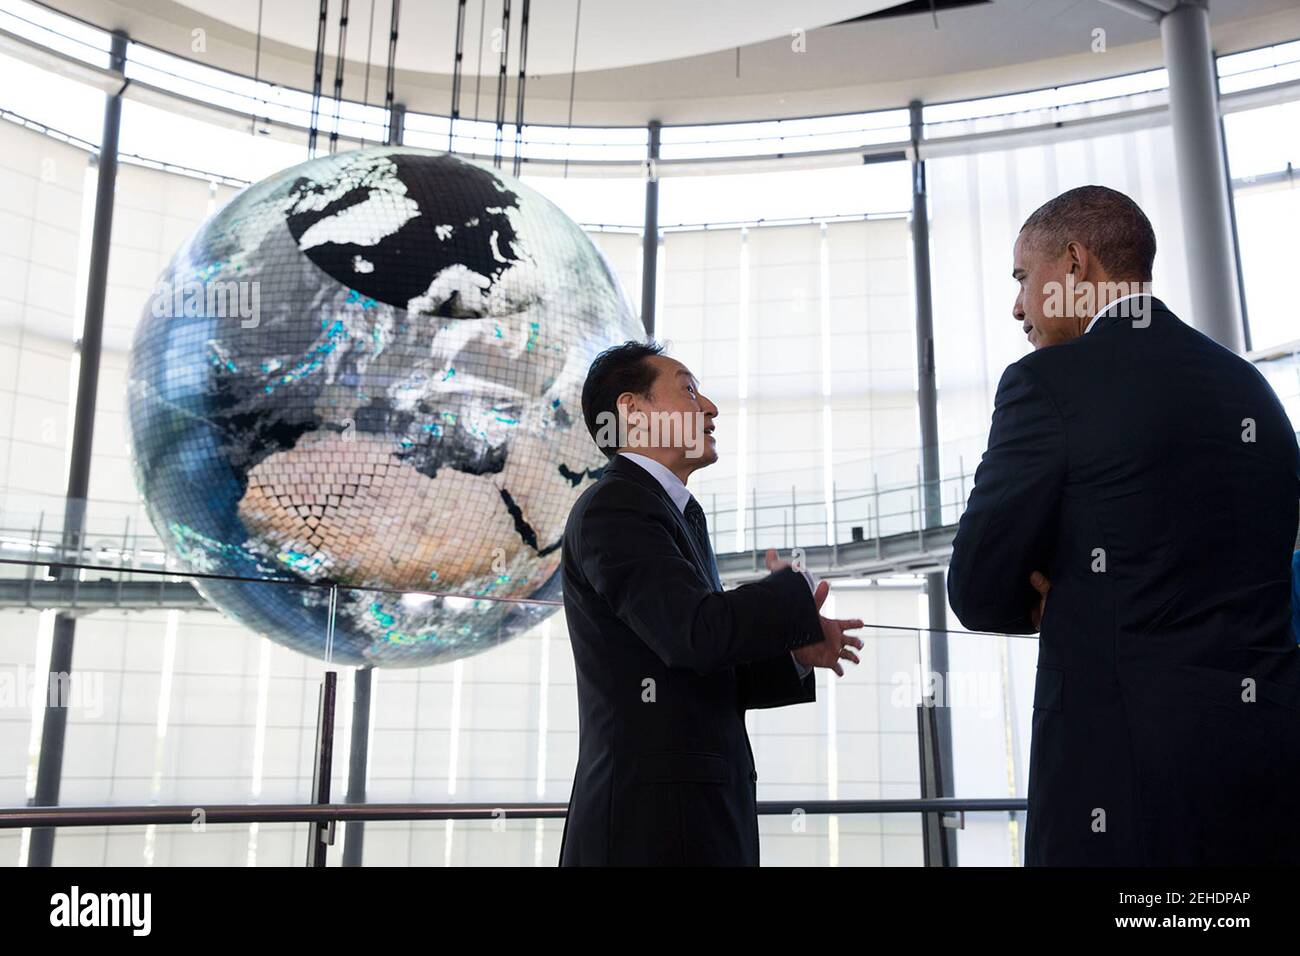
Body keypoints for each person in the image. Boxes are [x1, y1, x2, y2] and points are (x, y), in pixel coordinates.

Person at [948, 185, 1300, 865]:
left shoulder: (1048, 384)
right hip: (1268, 775)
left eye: (1024, 277)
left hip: (1122, 789)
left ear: (1075, 264)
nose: (1018, 306)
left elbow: (977, 587)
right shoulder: (1252, 390)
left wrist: (1069, 590)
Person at [558, 341, 863, 866]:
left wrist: (793, 652)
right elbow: (692, 633)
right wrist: (792, 592)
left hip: (690, 822)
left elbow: (701, 668)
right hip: (649, 833)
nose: (711, 408)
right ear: (632, 411)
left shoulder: (675, 512)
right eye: (689, 389)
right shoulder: (616, 506)